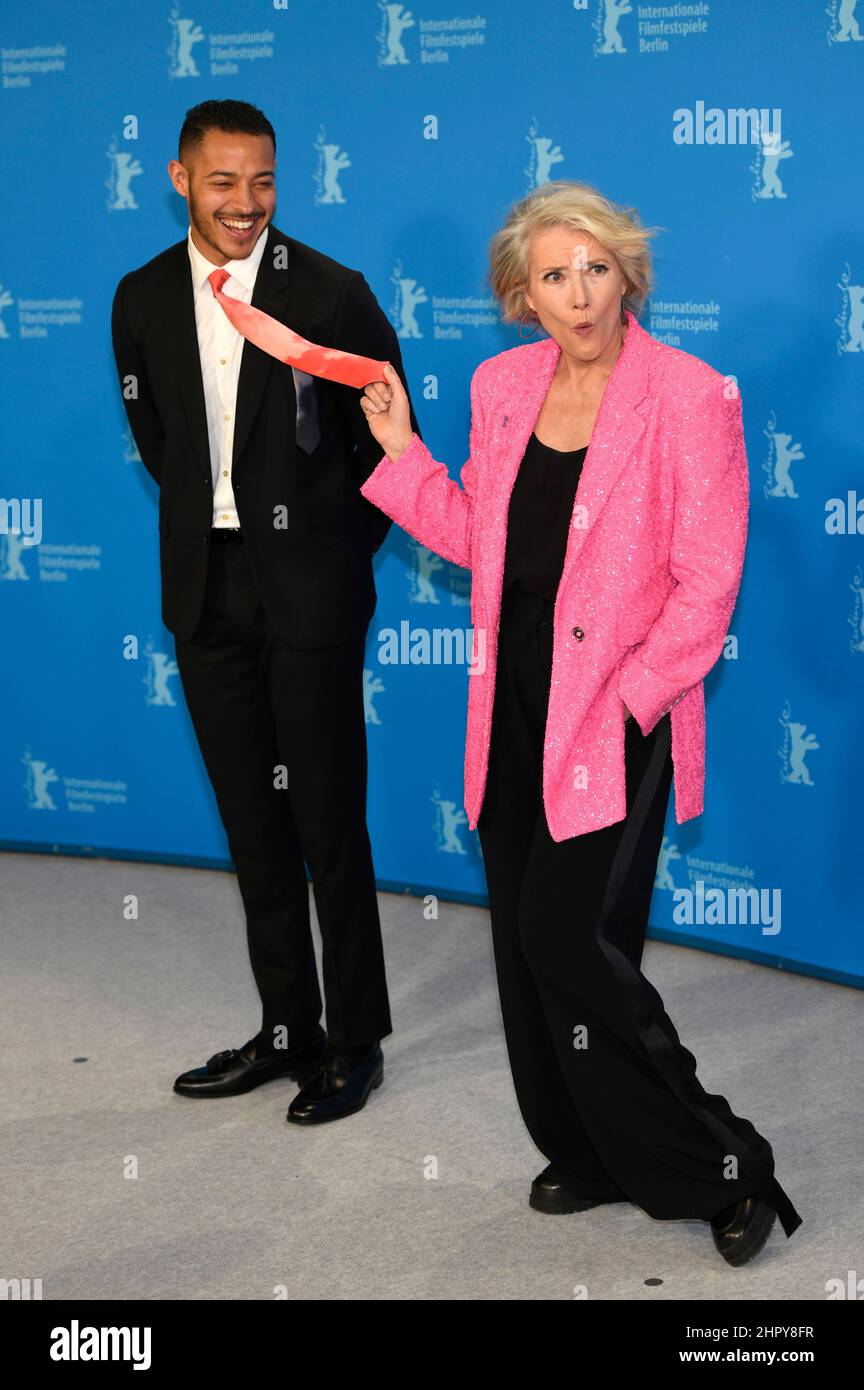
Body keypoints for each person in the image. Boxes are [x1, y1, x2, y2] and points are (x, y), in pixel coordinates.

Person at [357, 180, 802, 1265]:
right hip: (512, 708)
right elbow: (484, 537)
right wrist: (402, 453)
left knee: (573, 936)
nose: (581, 292)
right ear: (523, 295)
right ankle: (590, 1146)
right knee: (524, 940)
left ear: (626, 271)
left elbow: (707, 583)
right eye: (554, 275)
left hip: (618, 713)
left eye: (596, 266)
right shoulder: (503, 386)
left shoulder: (691, 395)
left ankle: (726, 1165)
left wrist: (636, 699)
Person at [111, 99, 420, 1123]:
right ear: (179, 177)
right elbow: (160, 440)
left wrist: (326, 559)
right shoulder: (142, 297)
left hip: (311, 598)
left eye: (265, 182)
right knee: (253, 824)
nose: (246, 204)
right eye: (223, 182)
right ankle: (285, 1029)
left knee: (328, 824)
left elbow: (390, 445)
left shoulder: (330, 294)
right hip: (207, 596)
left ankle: (356, 1037)